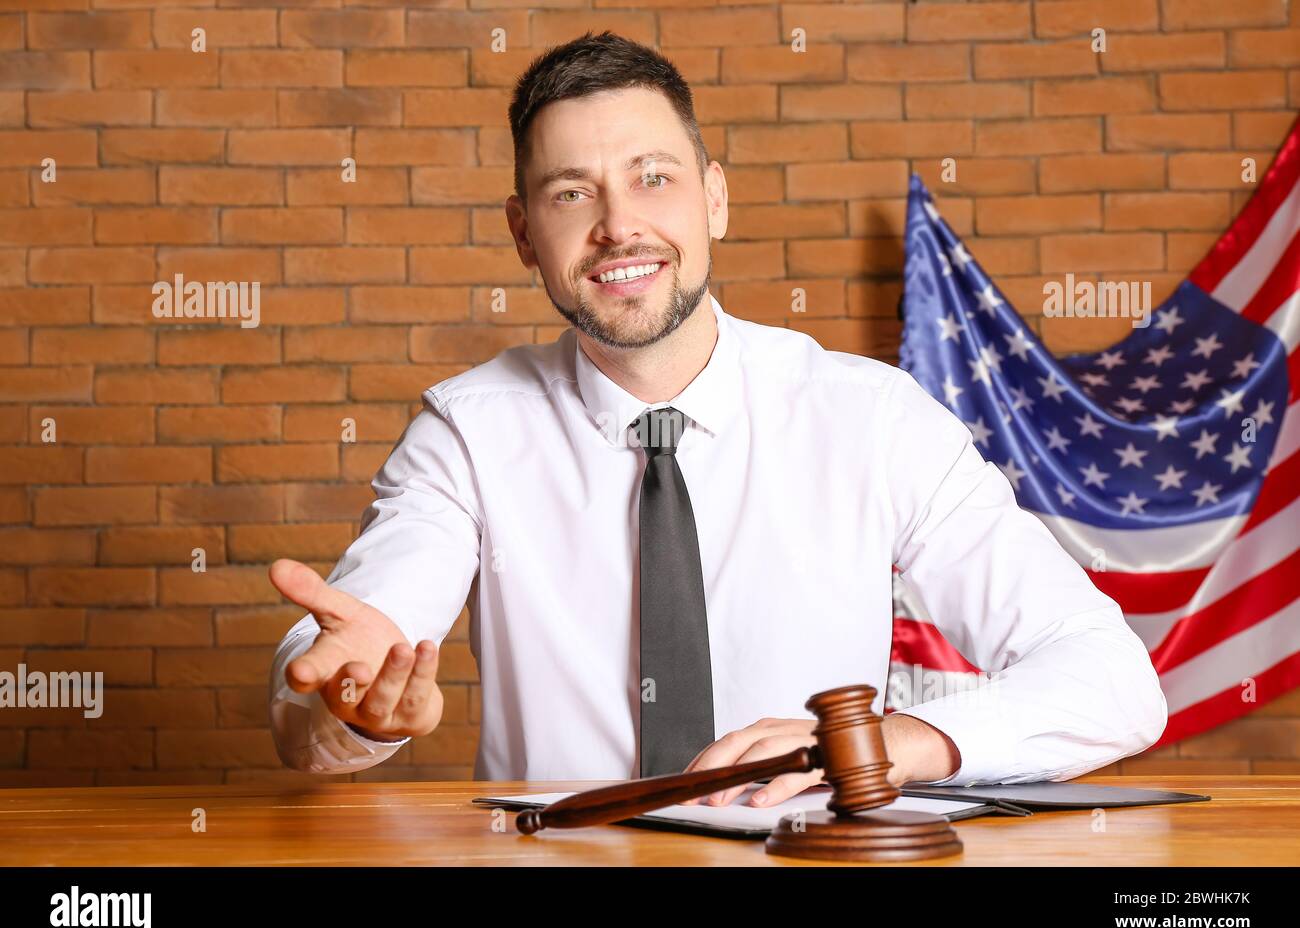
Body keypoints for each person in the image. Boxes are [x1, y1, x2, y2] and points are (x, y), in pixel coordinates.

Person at [268, 31, 1167, 807]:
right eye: (572, 193)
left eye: (652, 178)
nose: (620, 226)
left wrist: (883, 745)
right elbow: (340, 676)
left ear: (716, 199)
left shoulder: (873, 419)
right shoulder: (465, 435)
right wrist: (351, 710)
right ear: (522, 232)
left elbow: (1113, 680)